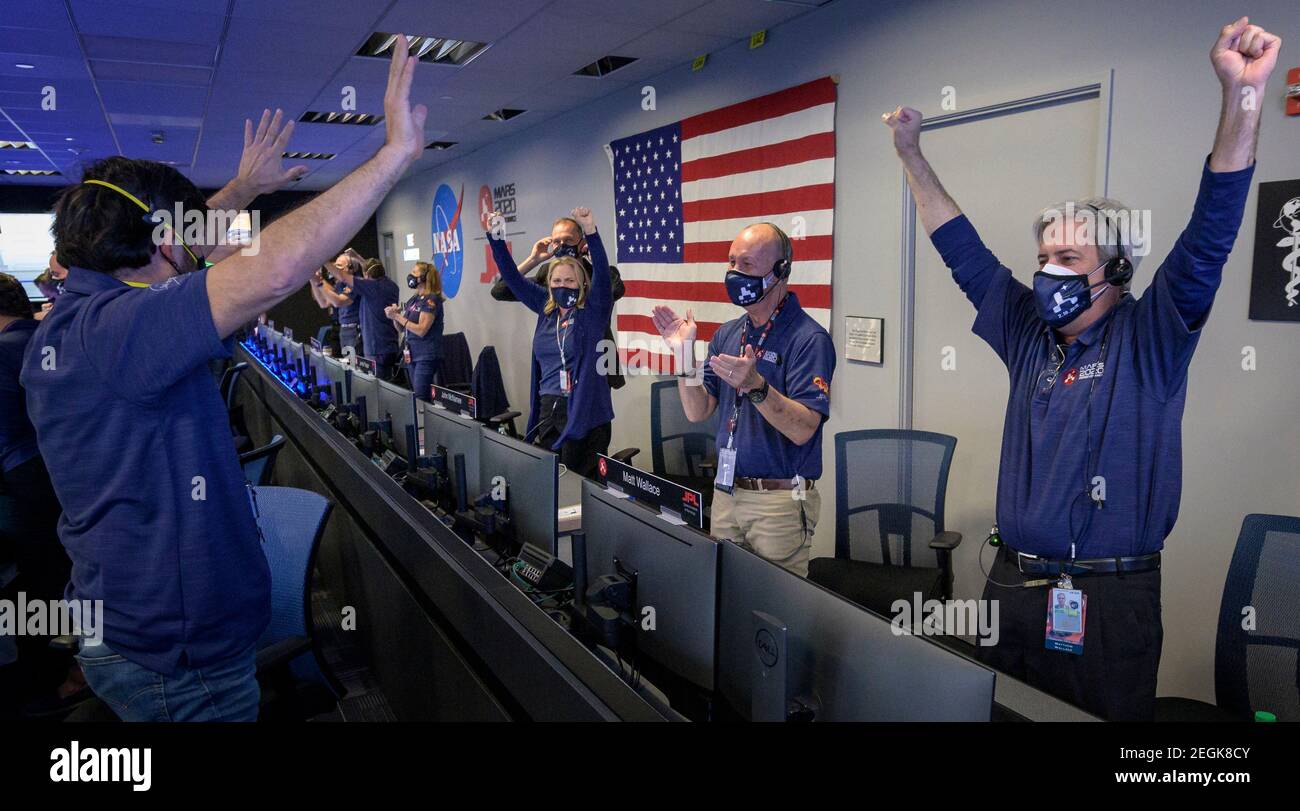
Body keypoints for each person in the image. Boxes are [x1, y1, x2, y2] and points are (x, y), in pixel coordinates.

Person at [881, 17, 1279, 721]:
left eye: (1068, 260)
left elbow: (1212, 228)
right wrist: (911, 153)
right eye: (1043, 257)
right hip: (1012, 587)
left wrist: (1242, 96)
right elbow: (961, 248)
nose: (1047, 273)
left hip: (1108, 603)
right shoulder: (1027, 332)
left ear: (1117, 273)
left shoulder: (1152, 335)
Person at [20, 36, 428, 721]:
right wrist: (393, 156)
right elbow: (270, 269)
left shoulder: (91, 322)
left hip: (146, 633)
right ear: (161, 242)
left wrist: (243, 190)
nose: (204, 247)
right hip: (181, 659)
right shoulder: (119, 328)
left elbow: (184, 246)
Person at [653, 223, 834, 577]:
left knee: (774, 609)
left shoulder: (809, 338)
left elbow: (803, 429)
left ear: (780, 271)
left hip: (778, 503)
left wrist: (757, 387)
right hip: (727, 493)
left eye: (747, 265)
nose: (735, 273)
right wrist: (685, 357)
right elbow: (697, 410)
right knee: (724, 599)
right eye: (732, 262)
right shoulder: (729, 333)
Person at [0, 272, 83, 714]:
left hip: (28, 487)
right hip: (69, 481)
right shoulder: (49, 336)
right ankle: (75, 668)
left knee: (35, 585)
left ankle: (58, 679)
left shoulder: (1, 352)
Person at [488, 206, 613, 478]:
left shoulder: (593, 312)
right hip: (549, 410)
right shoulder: (546, 307)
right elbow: (509, 279)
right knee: (550, 485)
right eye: (557, 280)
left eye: (570, 280)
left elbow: (603, 276)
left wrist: (591, 233)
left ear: (582, 284)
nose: (562, 285)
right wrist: (496, 237)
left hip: (586, 413)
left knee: (579, 491)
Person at [492, 216, 627, 389]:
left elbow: (616, 290)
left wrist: (595, 258)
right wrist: (533, 260)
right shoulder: (547, 274)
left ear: (581, 243)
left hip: (593, 367)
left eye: (568, 240)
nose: (562, 245)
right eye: (557, 241)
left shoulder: (598, 274)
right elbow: (501, 290)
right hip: (557, 366)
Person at [332, 257, 400, 379]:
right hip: (390, 345)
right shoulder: (392, 285)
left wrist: (323, 261)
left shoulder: (371, 287)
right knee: (388, 383)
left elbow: (343, 278)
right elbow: (371, 269)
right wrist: (357, 256)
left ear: (366, 275)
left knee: (376, 387)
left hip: (375, 348)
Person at [387, 261, 445, 399]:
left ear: (424, 278)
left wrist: (397, 316)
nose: (410, 276)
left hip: (426, 355)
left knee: (420, 397)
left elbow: (421, 330)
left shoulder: (431, 300)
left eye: (414, 273)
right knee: (417, 395)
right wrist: (394, 317)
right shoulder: (414, 299)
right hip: (412, 354)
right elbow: (401, 328)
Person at [309, 250, 365, 357]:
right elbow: (324, 302)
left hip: (355, 331)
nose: (333, 270)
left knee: (354, 368)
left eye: (338, 266)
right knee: (345, 366)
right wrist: (313, 278)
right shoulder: (340, 285)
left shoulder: (356, 283)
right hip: (343, 330)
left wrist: (320, 283)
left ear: (350, 268)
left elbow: (338, 302)